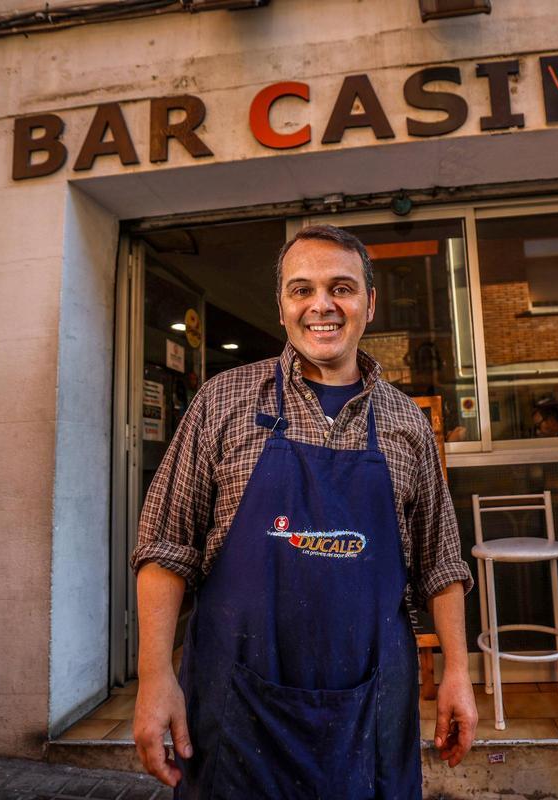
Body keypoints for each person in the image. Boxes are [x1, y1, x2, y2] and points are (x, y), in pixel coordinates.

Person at [130, 224, 477, 799]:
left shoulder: (406, 424)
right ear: (283, 305)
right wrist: (154, 676)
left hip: (370, 707)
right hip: (236, 705)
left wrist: (459, 674)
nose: (321, 305)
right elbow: (166, 548)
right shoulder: (223, 401)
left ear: (370, 302)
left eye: (341, 287)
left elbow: (441, 565)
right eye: (301, 290)